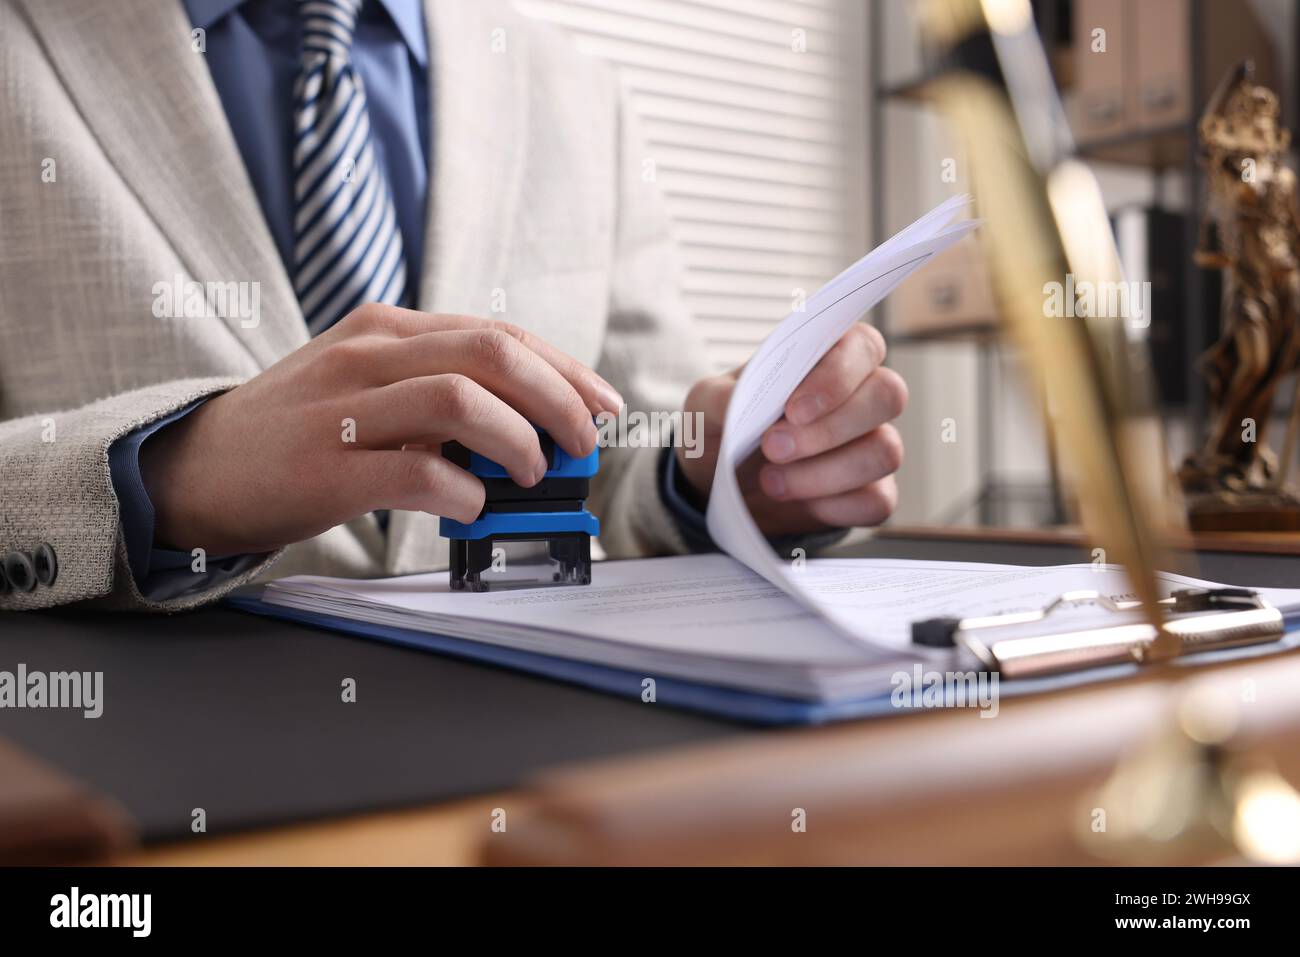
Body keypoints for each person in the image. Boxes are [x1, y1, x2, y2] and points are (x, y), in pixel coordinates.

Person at [0, 0, 908, 612]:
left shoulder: (575, 91)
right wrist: (164, 480)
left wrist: (710, 475)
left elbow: (619, 446)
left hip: (521, 775)